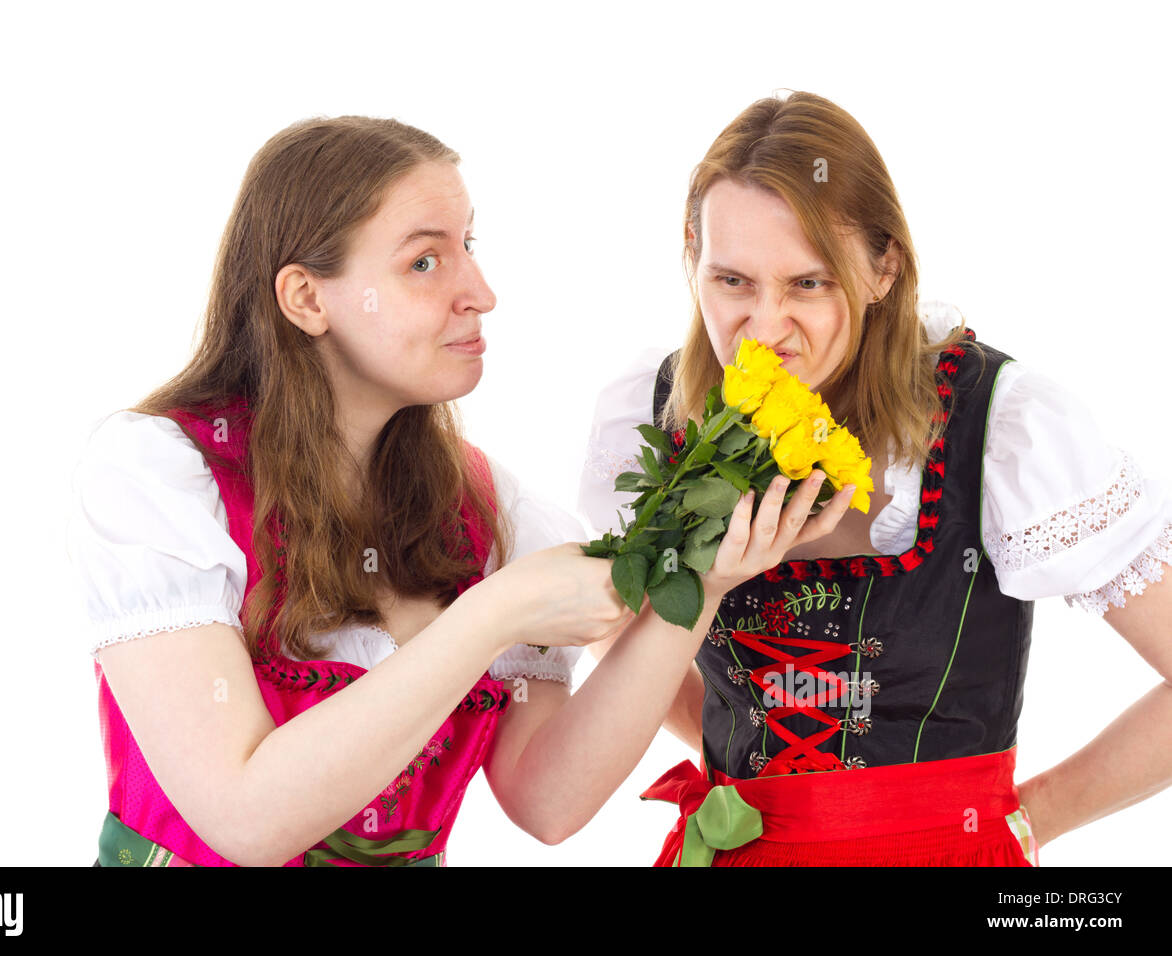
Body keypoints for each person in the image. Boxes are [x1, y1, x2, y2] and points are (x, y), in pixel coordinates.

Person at [66, 115, 856, 867]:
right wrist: (494, 613)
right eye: (424, 261)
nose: (479, 290)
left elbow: (548, 802)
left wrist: (706, 589)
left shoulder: (485, 510)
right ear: (308, 299)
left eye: (469, 245)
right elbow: (246, 819)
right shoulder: (165, 475)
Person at [578, 91, 1172, 866]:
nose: (764, 326)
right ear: (694, 257)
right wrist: (748, 756)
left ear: (883, 268)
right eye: (732, 282)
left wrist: (1032, 817)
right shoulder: (654, 416)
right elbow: (614, 626)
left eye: (808, 284)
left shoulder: (999, 427)